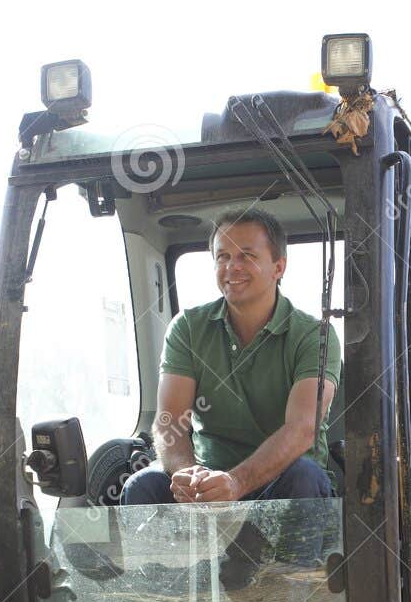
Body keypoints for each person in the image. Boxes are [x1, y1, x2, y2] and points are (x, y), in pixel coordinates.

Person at [121, 207, 341, 511]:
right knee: (141, 486)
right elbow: (170, 421)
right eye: (222, 257)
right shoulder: (187, 328)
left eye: (246, 256)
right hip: (209, 482)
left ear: (279, 267)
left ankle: (292, 562)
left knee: (305, 476)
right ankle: (163, 561)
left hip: (283, 481)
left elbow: (302, 428)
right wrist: (186, 472)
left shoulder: (315, 336)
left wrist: (236, 482)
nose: (231, 267)